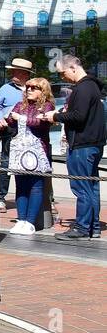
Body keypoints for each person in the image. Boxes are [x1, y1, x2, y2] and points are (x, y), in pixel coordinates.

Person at [42, 55, 105, 239]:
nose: (62, 78)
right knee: (90, 187)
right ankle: (92, 227)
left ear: (73, 68)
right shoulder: (92, 87)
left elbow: (78, 116)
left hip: (82, 144)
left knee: (82, 187)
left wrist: (55, 117)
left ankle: (83, 228)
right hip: (91, 144)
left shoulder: (83, 88)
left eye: (63, 73)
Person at [5, 76, 54, 235]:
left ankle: (31, 222)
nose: (29, 90)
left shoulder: (47, 106)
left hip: (38, 150)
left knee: (36, 186)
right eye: (28, 87)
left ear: (43, 91)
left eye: (34, 88)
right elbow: (10, 122)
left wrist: (22, 118)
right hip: (20, 150)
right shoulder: (20, 105)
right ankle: (21, 220)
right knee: (21, 185)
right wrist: (8, 119)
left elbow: (41, 123)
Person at [0, 57, 34, 214]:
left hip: (31, 130)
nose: (12, 73)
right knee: (6, 162)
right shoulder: (6, 88)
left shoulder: (34, 87)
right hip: (10, 130)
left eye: (15, 71)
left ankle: (39, 198)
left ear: (24, 73)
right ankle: (1, 198)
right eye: (12, 70)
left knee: (32, 162)